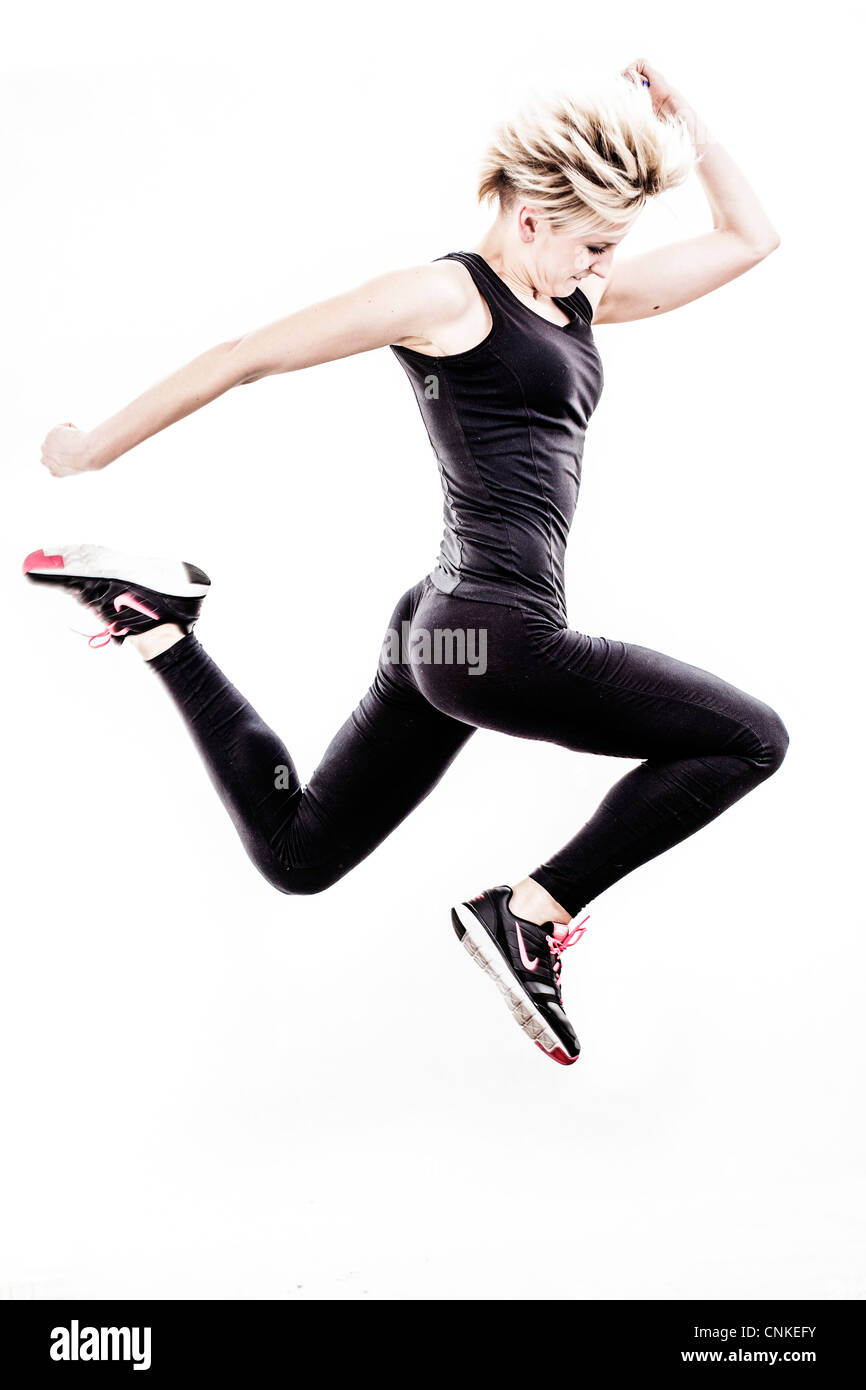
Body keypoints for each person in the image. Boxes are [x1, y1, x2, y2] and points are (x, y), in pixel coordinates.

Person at [24, 60, 788, 1067]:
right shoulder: (445, 294)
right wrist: (90, 450)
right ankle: (530, 915)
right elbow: (246, 352)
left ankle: (156, 624)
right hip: (492, 639)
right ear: (526, 221)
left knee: (299, 854)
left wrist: (685, 126)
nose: (602, 266)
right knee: (749, 738)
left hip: (446, 630)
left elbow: (748, 240)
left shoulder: (572, 296)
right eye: (593, 244)